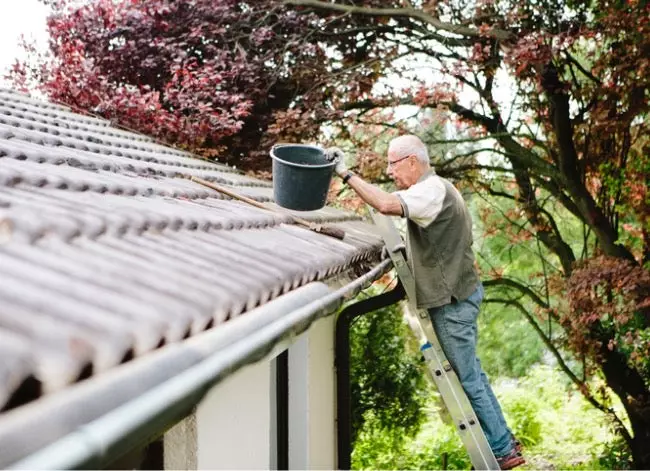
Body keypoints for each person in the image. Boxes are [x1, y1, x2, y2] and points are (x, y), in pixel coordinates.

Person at [326, 135, 525, 470]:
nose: (390, 171)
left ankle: (503, 450)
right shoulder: (439, 189)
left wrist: (345, 174)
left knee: (467, 379)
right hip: (459, 295)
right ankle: (504, 439)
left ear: (413, 162)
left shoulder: (431, 192)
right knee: (473, 374)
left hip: (451, 302)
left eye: (393, 163)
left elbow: (387, 205)